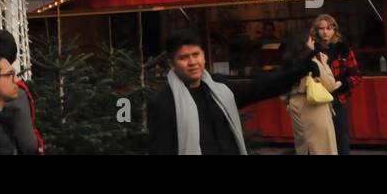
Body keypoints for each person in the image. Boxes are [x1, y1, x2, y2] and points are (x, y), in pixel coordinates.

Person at [147, 29, 316, 155]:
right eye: (183, 57)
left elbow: (260, 87)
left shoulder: (220, 88)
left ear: (204, 56)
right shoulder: (163, 103)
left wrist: (301, 69)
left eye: (196, 54)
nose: (192, 62)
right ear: (172, 63)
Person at [284, 32, 340, 155]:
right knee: (322, 147)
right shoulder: (313, 62)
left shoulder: (288, 63)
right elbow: (330, 85)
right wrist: (325, 65)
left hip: (296, 105)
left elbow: (282, 89)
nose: (313, 42)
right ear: (304, 44)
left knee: (304, 146)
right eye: (311, 40)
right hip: (315, 105)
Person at [314, 14, 361, 155]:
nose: (325, 31)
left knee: (342, 137)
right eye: (321, 28)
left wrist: (342, 83)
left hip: (338, 99)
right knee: (320, 140)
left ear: (334, 29)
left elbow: (356, 76)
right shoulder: (312, 50)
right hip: (317, 101)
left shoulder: (343, 49)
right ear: (316, 31)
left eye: (328, 28)